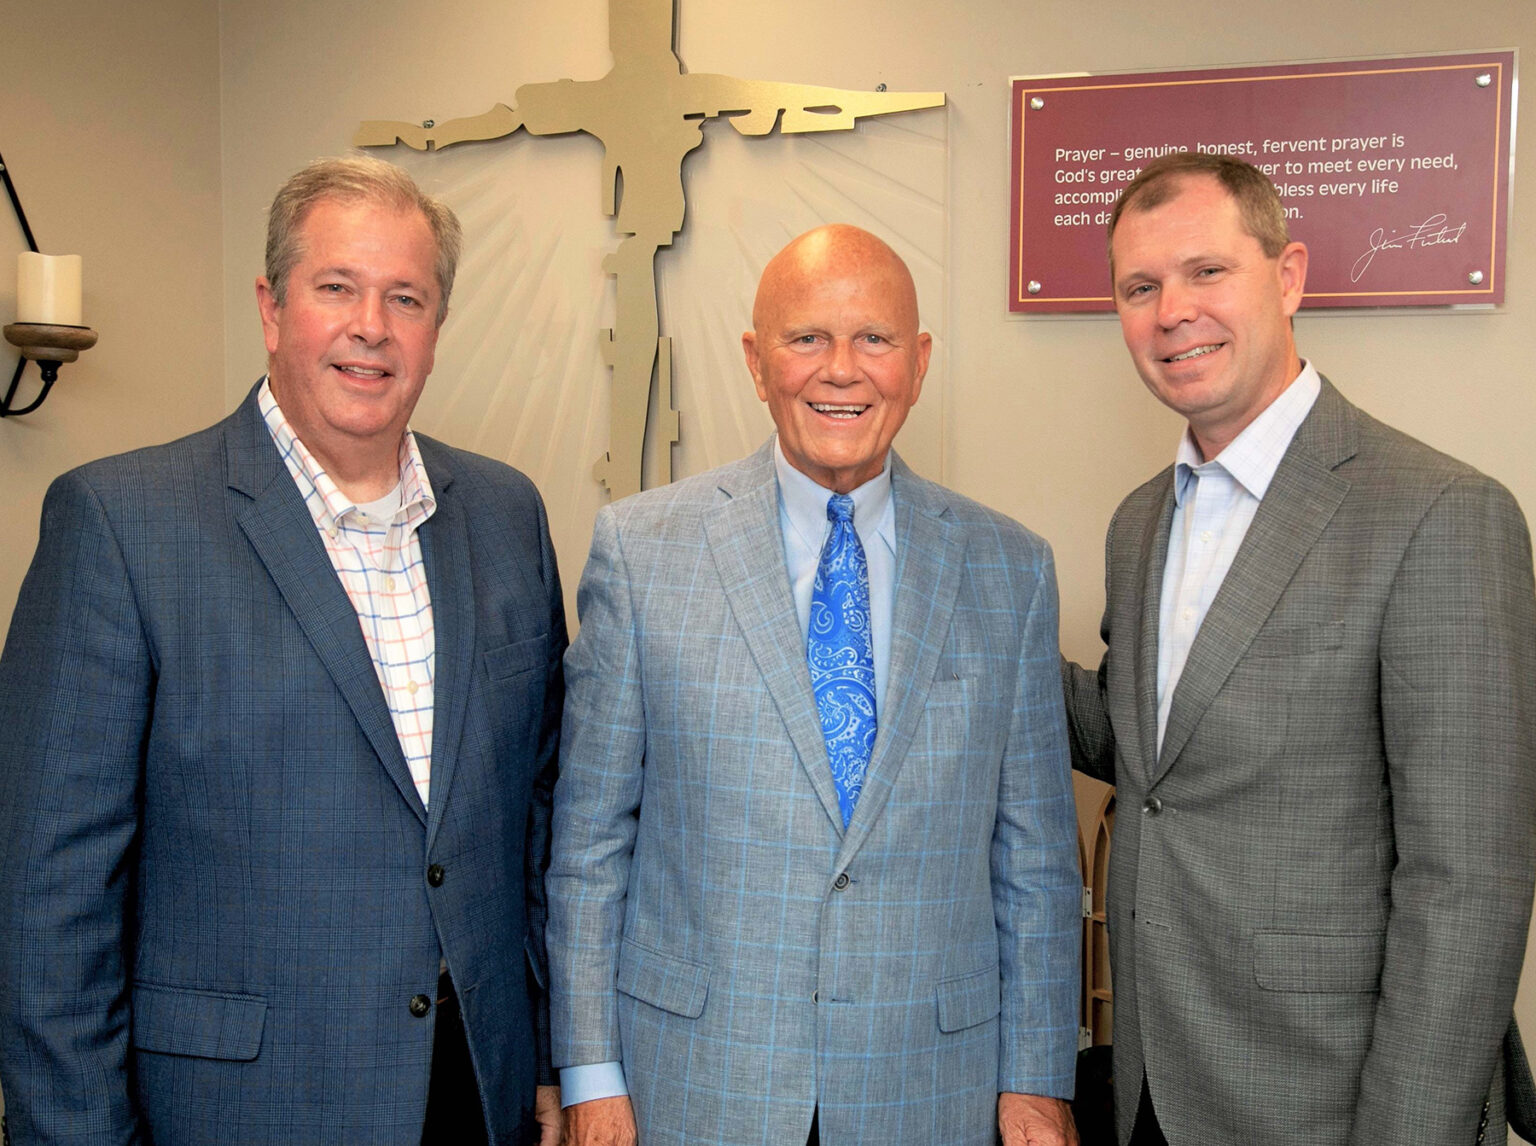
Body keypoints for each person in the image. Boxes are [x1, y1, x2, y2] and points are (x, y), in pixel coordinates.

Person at [0, 155, 566, 1145]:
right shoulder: (121, 524)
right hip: (242, 1108)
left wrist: (553, 1058)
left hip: (479, 1092)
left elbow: (541, 824)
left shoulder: (507, 515)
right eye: (336, 287)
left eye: (406, 298)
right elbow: (48, 901)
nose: (371, 326)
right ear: (271, 308)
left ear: (437, 327)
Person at [546, 223, 1081, 1146]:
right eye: (807, 338)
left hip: (930, 1090)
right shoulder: (642, 552)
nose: (842, 369)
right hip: (695, 1084)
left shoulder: (1011, 568)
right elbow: (591, 842)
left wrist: (1036, 1078)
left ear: (918, 363)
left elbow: (1034, 861)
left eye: (874, 338)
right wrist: (590, 1076)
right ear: (757, 363)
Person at [1060, 151, 1536, 1146]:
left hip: (1333, 1104)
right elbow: (1151, 758)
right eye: (1140, 288)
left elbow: (1468, 886)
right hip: (1154, 1084)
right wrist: (962, 621)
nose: (1172, 311)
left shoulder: (1440, 513)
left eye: (1207, 271)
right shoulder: (1140, 522)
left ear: (1288, 277)